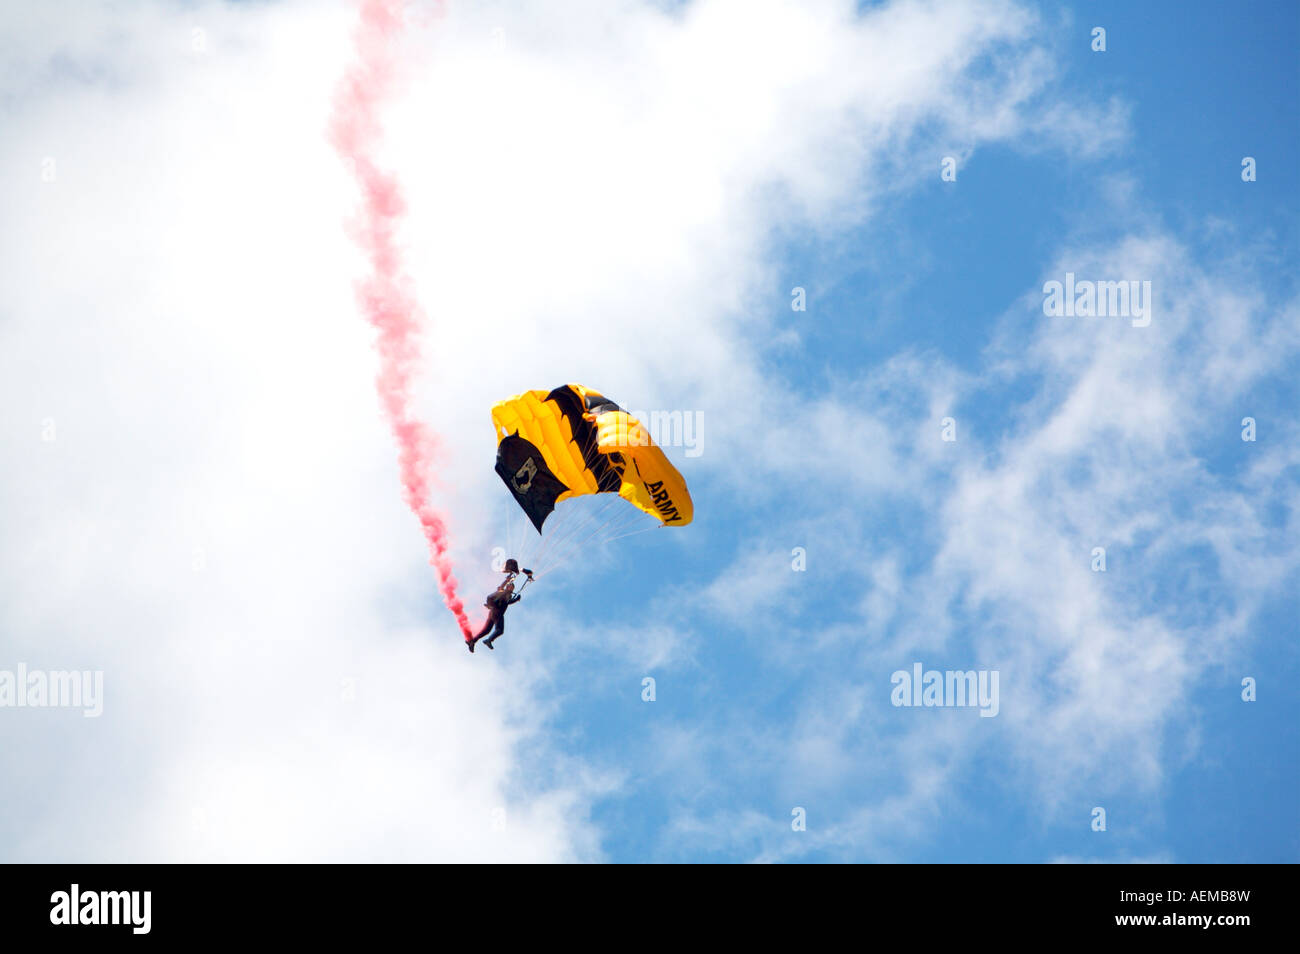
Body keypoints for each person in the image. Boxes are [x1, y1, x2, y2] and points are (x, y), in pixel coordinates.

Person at [466, 569, 529, 653]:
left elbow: (507, 601)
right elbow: (505, 595)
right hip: (497, 612)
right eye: (511, 587)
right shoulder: (505, 593)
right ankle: (489, 640)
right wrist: (507, 581)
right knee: (499, 630)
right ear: (508, 587)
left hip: (492, 613)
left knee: (486, 630)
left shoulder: (507, 594)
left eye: (513, 588)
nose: (512, 589)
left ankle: (472, 641)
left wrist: (515, 599)